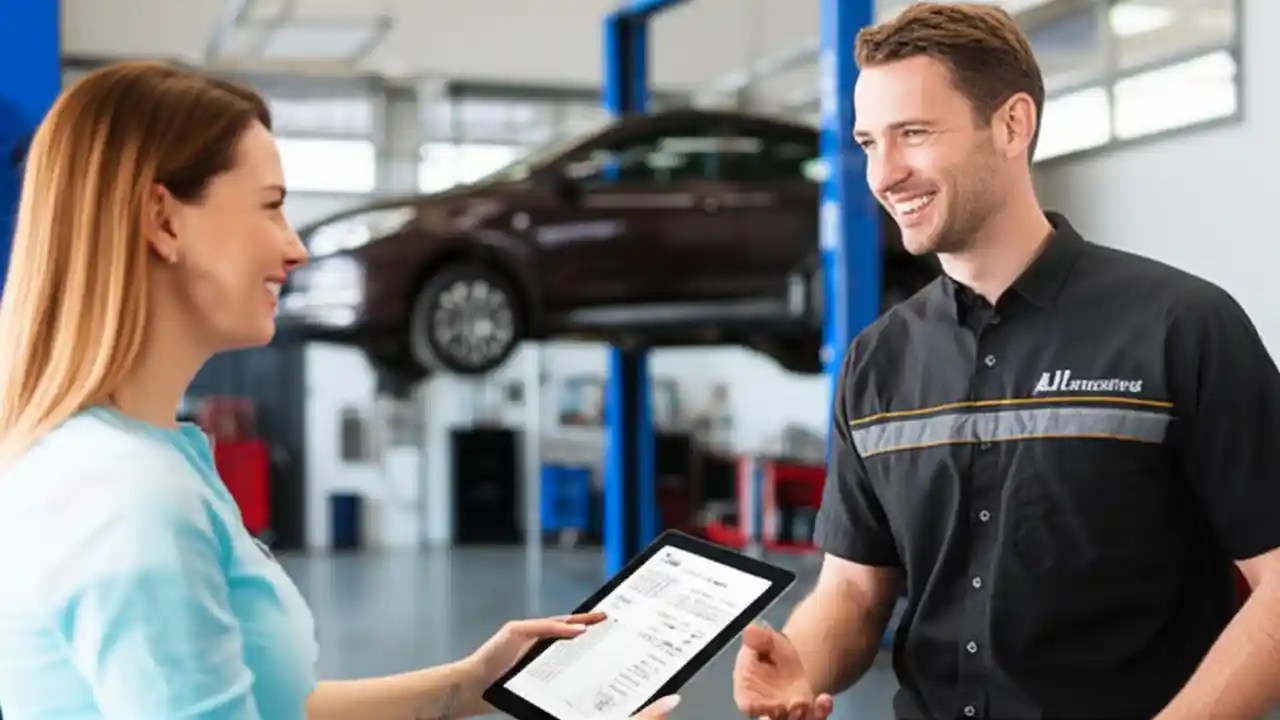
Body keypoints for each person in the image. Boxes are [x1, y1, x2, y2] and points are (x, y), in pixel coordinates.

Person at [0, 60, 680, 720]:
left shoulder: (126, 456)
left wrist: (470, 685)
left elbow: (270, 706)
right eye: (271, 207)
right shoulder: (129, 497)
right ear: (164, 220)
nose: (295, 248)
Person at [732, 3, 1280, 719]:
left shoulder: (1179, 328)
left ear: (1013, 125)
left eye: (914, 134)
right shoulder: (878, 360)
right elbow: (855, 589)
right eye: (869, 142)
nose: (885, 174)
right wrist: (799, 665)